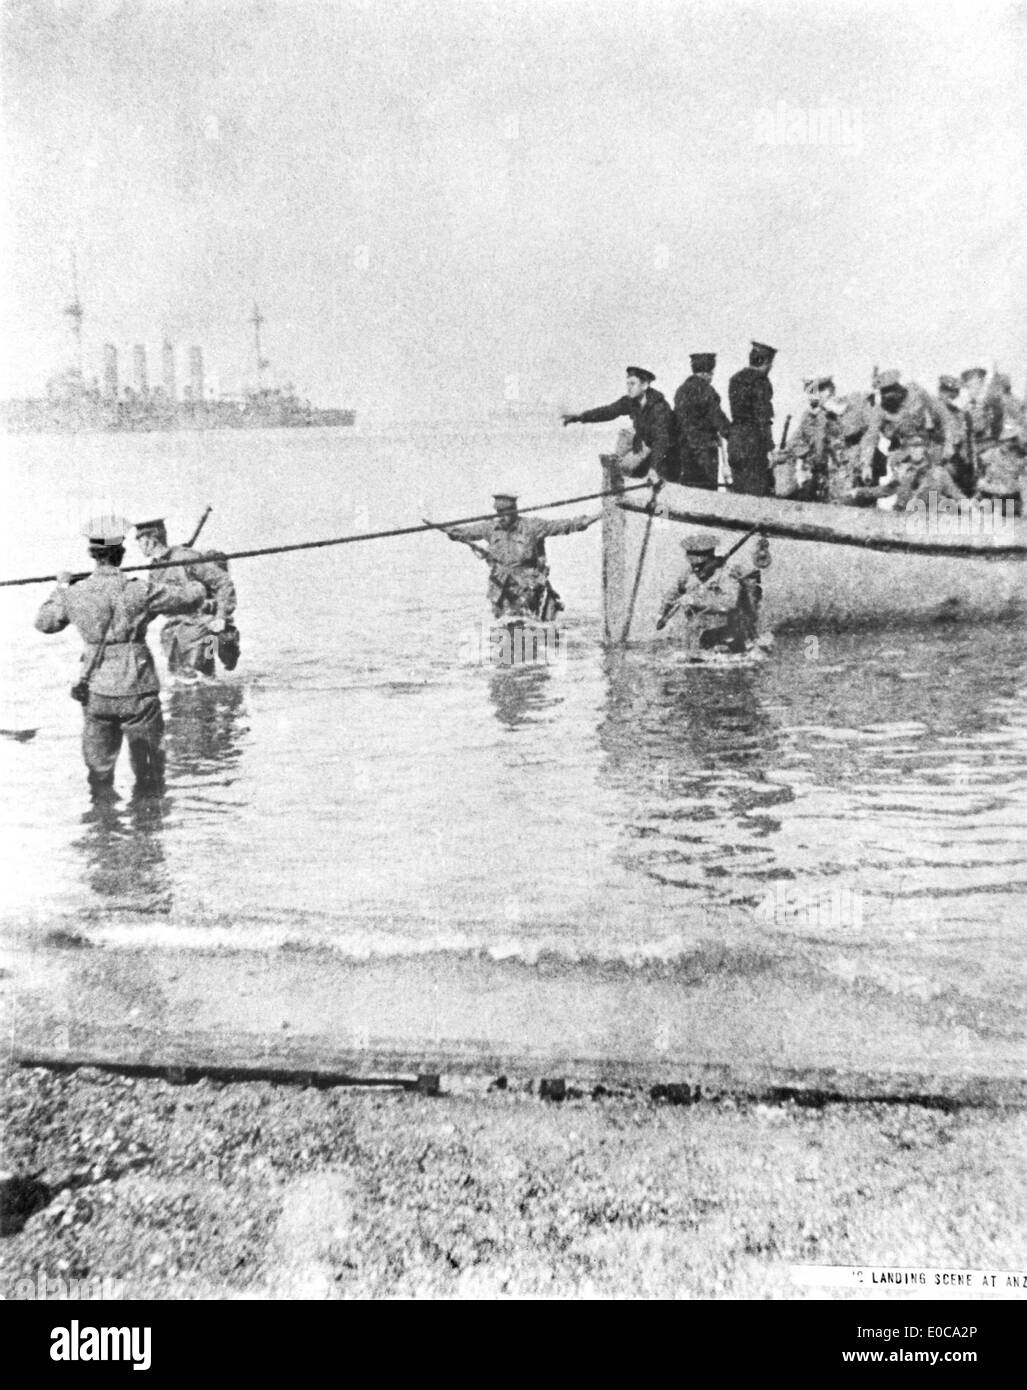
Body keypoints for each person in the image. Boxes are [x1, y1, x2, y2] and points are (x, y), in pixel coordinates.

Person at [34, 517, 207, 798]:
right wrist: (192, 573)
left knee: (99, 777)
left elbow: (44, 623)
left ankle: (104, 830)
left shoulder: (75, 594)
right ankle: (146, 835)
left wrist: (62, 588)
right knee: (150, 775)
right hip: (138, 687)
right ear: (122, 554)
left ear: (92, 555)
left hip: (96, 689)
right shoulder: (139, 589)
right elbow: (191, 598)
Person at [442, 491, 599, 620]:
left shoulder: (531, 527)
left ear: (514, 511)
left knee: (525, 625)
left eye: (505, 513)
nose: (501, 517)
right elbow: (465, 532)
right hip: (500, 587)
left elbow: (561, 526)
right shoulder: (490, 528)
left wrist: (588, 520)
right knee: (504, 628)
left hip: (526, 586)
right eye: (498, 513)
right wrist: (451, 531)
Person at [134, 517, 238, 678]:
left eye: (140, 541)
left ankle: (225, 647)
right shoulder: (155, 571)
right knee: (181, 682)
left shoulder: (186, 557)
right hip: (174, 634)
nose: (139, 547)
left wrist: (221, 617)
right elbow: (153, 606)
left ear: (150, 541)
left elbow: (223, 581)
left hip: (202, 629)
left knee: (204, 676)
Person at [657, 529, 765, 654]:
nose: (696, 569)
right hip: (699, 631)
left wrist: (694, 601)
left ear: (710, 558)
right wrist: (662, 613)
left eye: (701, 565)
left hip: (726, 631)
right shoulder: (689, 574)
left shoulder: (726, 574)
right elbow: (673, 593)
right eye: (693, 565)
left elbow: (729, 602)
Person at [562, 367, 676, 480]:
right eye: (628, 384)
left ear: (645, 385)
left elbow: (661, 440)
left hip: (664, 449)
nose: (629, 388)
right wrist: (580, 417)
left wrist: (653, 469)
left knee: (626, 467)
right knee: (623, 442)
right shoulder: (631, 401)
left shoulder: (659, 407)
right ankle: (617, 475)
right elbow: (608, 412)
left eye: (632, 384)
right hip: (645, 440)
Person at [857, 371, 948, 483]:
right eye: (885, 394)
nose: (889, 398)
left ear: (898, 389)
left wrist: (948, 442)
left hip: (927, 442)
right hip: (904, 448)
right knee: (903, 480)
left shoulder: (916, 393)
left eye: (892, 392)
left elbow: (942, 412)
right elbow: (870, 436)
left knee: (935, 477)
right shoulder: (880, 410)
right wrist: (866, 464)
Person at [776, 376, 846, 502]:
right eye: (811, 392)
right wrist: (806, 454)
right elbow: (794, 443)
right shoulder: (809, 417)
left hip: (833, 473)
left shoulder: (833, 417)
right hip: (814, 472)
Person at [672, 353, 731, 489]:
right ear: (706, 373)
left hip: (684, 449)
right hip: (705, 451)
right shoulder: (707, 391)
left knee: (688, 491)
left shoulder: (681, 391)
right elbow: (718, 419)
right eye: (712, 374)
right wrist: (735, 438)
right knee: (706, 493)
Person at [727, 341, 776, 496]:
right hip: (754, 446)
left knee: (739, 492)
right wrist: (769, 448)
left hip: (735, 443)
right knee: (757, 496)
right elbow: (762, 417)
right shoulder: (760, 381)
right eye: (770, 363)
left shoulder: (735, 379)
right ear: (766, 362)